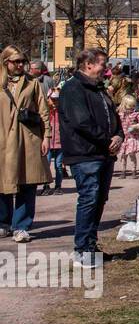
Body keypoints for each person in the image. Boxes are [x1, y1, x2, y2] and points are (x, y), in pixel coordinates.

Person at [59, 48, 122, 266]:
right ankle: (82, 249)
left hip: (104, 153)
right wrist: (107, 140)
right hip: (85, 154)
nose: (106, 69)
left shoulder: (99, 89)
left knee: (99, 199)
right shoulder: (73, 89)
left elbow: (113, 115)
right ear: (88, 65)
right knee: (89, 198)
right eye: (103, 65)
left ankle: (90, 245)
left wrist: (119, 136)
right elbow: (81, 122)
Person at [0, 45, 50, 244]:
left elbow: (43, 111)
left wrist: (46, 137)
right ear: (6, 62)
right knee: (2, 182)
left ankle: (21, 226)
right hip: (2, 138)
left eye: (23, 61)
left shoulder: (32, 83)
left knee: (26, 183)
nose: (20, 65)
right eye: (16, 62)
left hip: (27, 137)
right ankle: (3, 222)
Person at [42, 85, 64, 195]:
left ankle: (58, 186)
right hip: (48, 143)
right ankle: (46, 186)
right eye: (53, 99)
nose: (55, 102)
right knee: (46, 165)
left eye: (57, 100)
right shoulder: (45, 113)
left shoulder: (62, 113)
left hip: (60, 143)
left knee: (58, 165)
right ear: (48, 99)